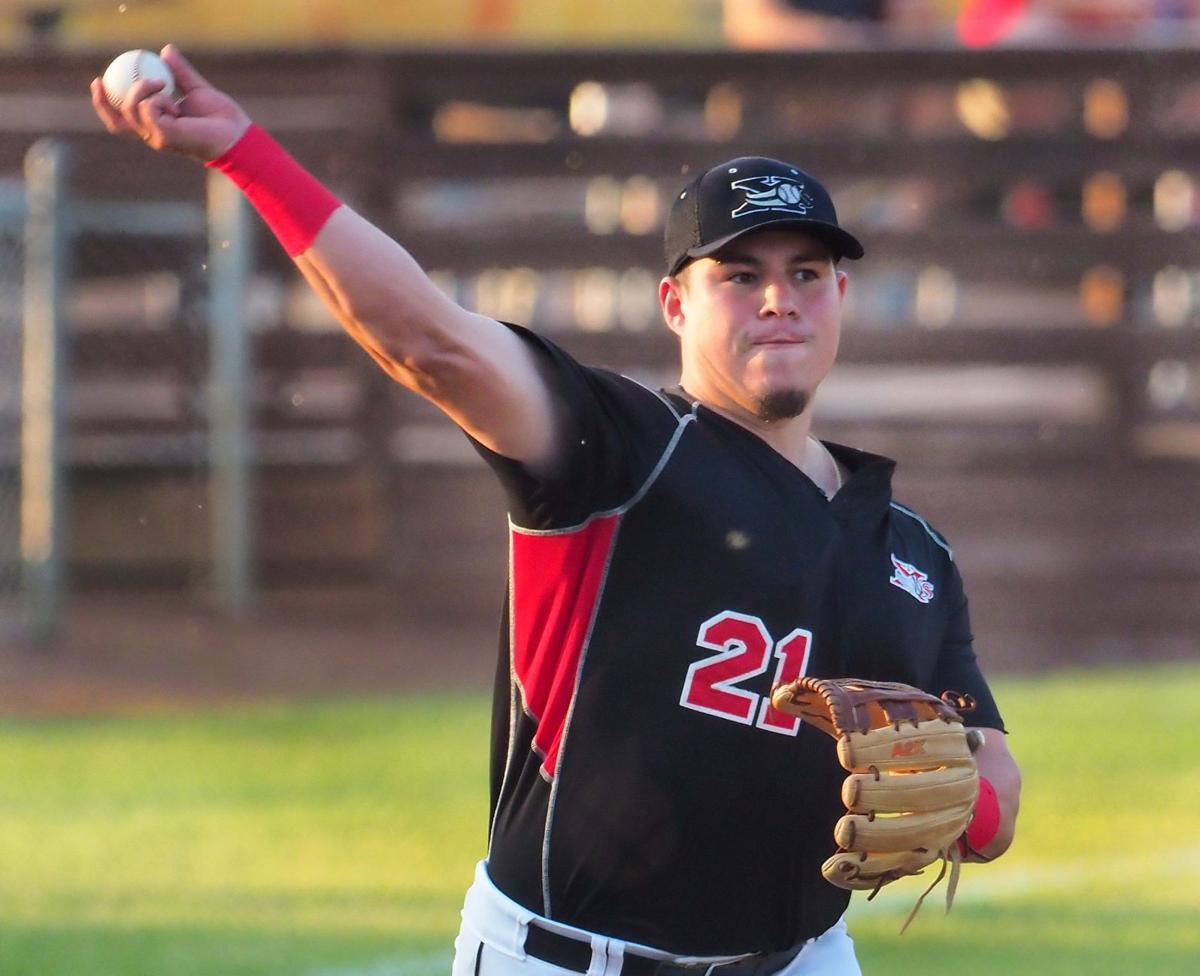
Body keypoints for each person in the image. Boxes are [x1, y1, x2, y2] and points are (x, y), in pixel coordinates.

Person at [91, 46, 1021, 976]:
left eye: (807, 273)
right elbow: (429, 342)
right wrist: (246, 154)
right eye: (739, 276)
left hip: (803, 959)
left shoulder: (911, 553)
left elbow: (996, 789)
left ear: (841, 297)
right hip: (569, 958)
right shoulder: (618, 448)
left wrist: (967, 807)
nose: (780, 300)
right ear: (674, 303)